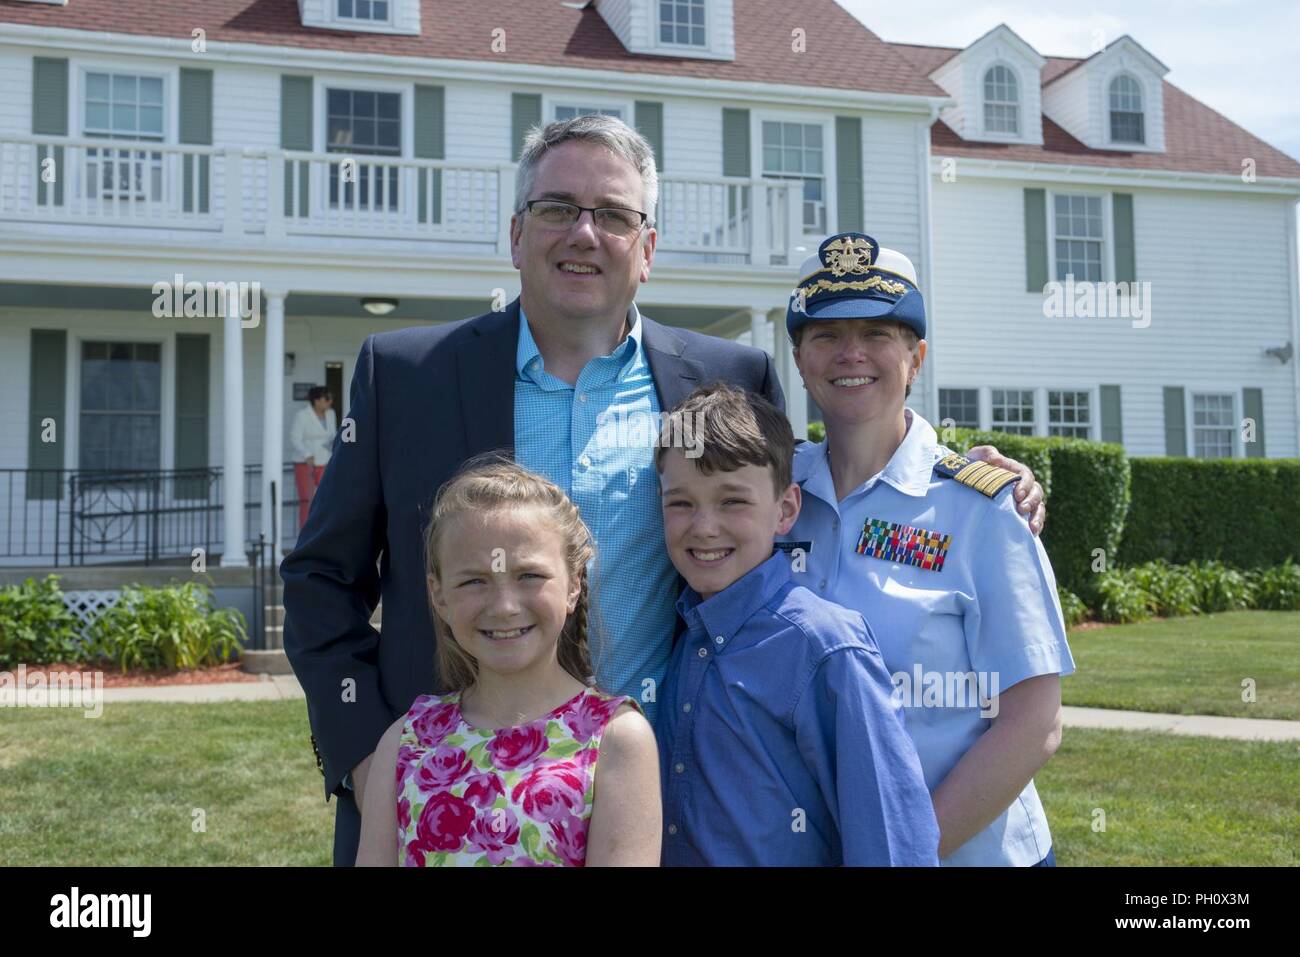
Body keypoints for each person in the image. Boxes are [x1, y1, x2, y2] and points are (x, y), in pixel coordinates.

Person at [280, 113, 1044, 867]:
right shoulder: (406, 377)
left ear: (647, 250)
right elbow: (320, 579)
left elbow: (804, 472)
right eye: (557, 209)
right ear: (517, 234)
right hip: (456, 805)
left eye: (613, 214)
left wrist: (952, 469)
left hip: (671, 810)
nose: (584, 233)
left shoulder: (726, 379)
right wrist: (368, 758)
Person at [779, 232, 1076, 866]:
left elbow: (1033, 722)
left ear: (916, 357)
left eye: (878, 333)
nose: (850, 353)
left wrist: (901, 854)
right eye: (826, 335)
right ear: (800, 360)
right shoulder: (769, 502)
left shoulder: (983, 509)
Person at [653, 384, 939, 865]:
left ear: (785, 510)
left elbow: (892, 840)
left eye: (732, 502)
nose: (703, 527)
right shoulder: (682, 629)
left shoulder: (826, 648)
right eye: (681, 503)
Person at [355, 457, 660, 866]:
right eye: (474, 581)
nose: (504, 606)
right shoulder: (404, 745)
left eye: (529, 576)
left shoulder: (617, 741)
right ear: (439, 596)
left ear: (573, 584)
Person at [288, 386, 336, 528]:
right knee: (307, 500)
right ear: (316, 401)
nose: (330, 402)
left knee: (325, 498)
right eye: (326, 399)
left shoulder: (331, 414)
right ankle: (305, 534)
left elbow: (332, 435)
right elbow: (294, 437)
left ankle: (321, 532)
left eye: (330, 399)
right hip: (306, 463)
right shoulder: (302, 416)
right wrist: (307, 454)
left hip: (325, 461)